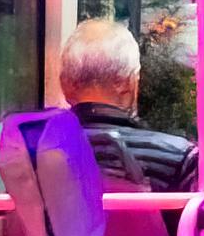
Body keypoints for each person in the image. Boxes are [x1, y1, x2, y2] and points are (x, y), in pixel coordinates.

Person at [57, 13, 195, 189]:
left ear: (65, 84)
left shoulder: (27, 155)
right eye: (136, 78)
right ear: (126, 83)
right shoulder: (178, 157)